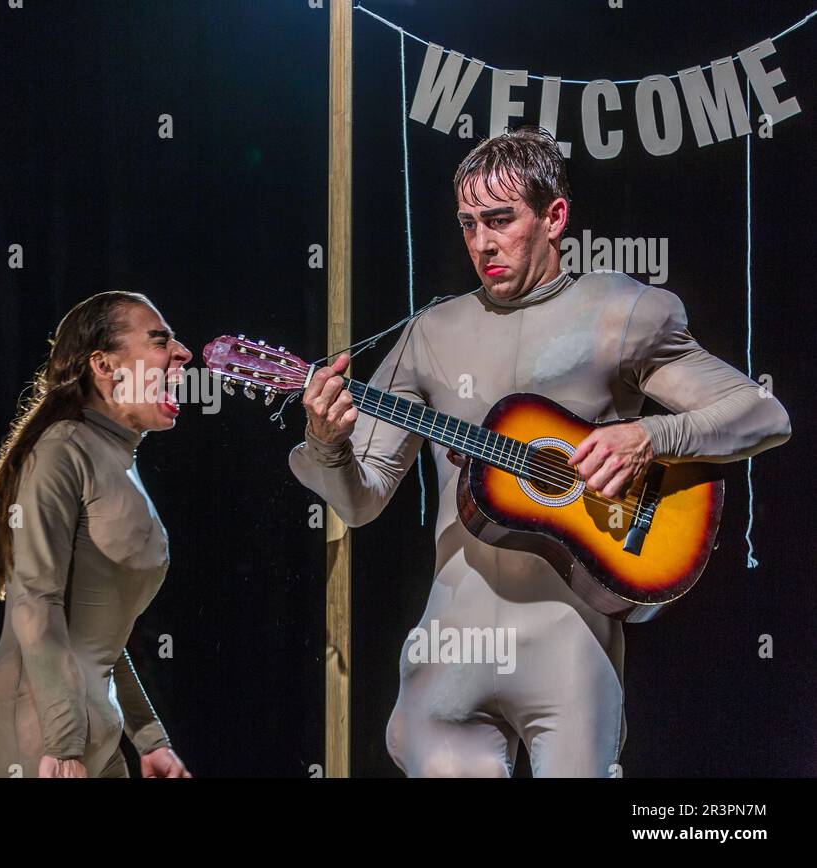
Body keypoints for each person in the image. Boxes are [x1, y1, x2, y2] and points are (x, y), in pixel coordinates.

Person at [289, 127, 791, 777]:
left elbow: (762, 414)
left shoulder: (622, 312)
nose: (481, 243)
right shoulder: (431, 332)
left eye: (500, 220)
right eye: (468, 224)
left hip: (571, 647)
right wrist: (327, 443)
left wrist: (649, 436)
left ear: (555, 216)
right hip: (454, 641)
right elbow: (360, 502)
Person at [0, 291, 193, 778]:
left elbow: (97, 632)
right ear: (104, 365)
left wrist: (149, 737)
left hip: (89, 721)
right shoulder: (62, 450)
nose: (183, 354)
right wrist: (63, 741)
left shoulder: (115, 458)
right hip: (35, 722)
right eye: (160, 341)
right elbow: (34, 598)